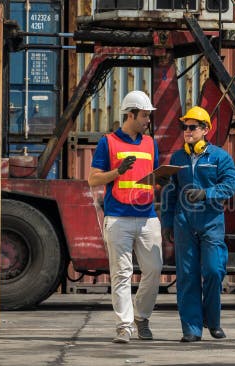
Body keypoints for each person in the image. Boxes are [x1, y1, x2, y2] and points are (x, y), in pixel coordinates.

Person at [88, 90, 163, 344]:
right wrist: (117, 171)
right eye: (144, 115)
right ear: (130, 114)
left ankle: (141, 316)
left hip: (148, 216)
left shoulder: (151, 143)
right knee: (122, 273)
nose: (147, 120)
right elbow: (93, 179)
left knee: (154, 270)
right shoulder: (107, 142)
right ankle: (124, 326)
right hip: (118, 217)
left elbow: (154, 176)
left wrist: (163, 181)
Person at [161, 106, 235, 343]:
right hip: (184, 222)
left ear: (205, 130)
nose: (187, 131)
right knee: (187, 276)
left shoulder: (219, 157)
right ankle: (192, 329)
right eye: (185, 127)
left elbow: (231, 184)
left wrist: (206, 193)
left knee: (214, 271)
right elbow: (170, 192)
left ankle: (212, 320)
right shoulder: (177, 158)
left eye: (192, 127)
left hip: (211, 221)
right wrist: (167, 222)